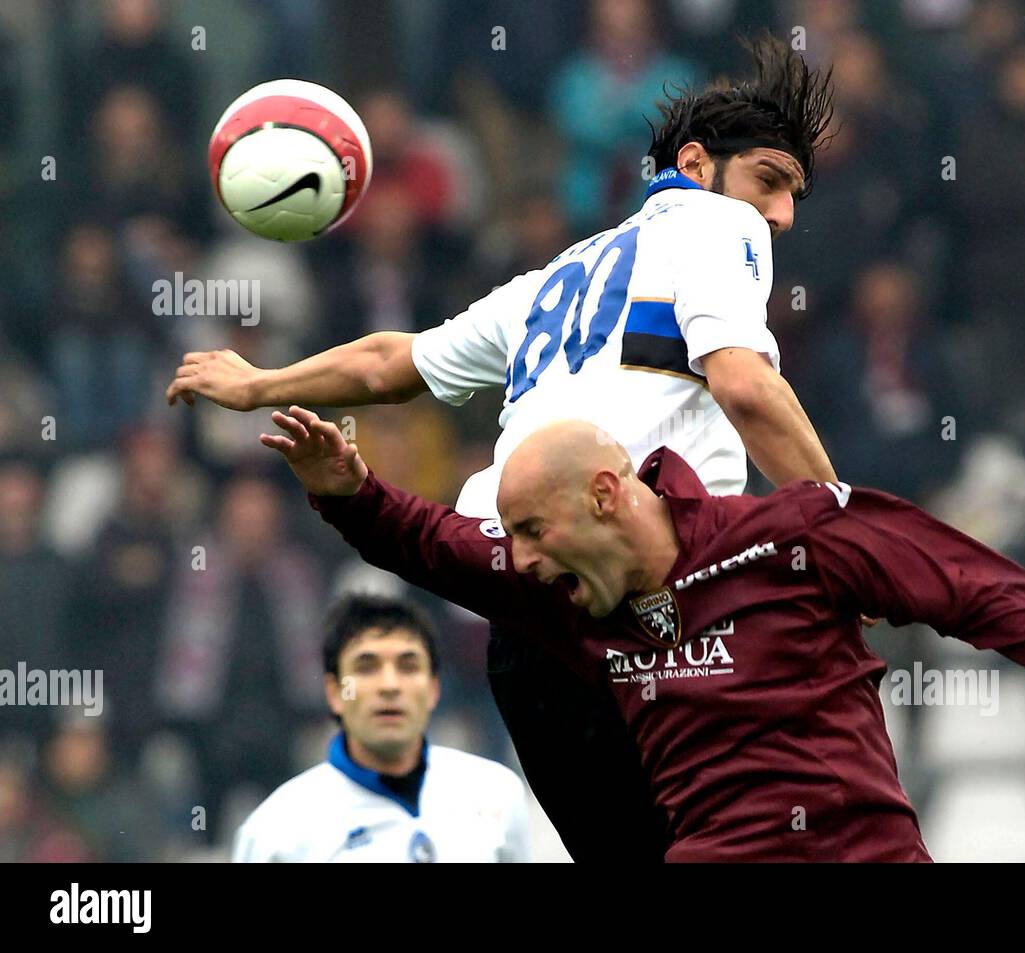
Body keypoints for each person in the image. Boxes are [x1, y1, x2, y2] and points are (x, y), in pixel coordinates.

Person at [167, 34, 837, 861]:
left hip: (523, 627)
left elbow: (393, 361)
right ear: (696, 165)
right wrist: (843, 532)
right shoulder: (719, 229)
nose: (782, 214)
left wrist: (260, 382)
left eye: (795, 194)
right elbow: (744, 385)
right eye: (771, 181)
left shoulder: (555, 275)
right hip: (637, 605)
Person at [261, 408, 1025, 862]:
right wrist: (347, 491)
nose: (515, 558)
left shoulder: (790, 537)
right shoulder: (569, 593)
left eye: (530, 530)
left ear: (607, 494)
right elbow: (435, 542)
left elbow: (974, 584)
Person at [233, 594, 529, 863]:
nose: (389, 686)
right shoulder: (275, 832)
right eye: (366, 667)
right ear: (336, 692)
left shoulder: (497, 794)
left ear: (434, 689)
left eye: (408, 666)